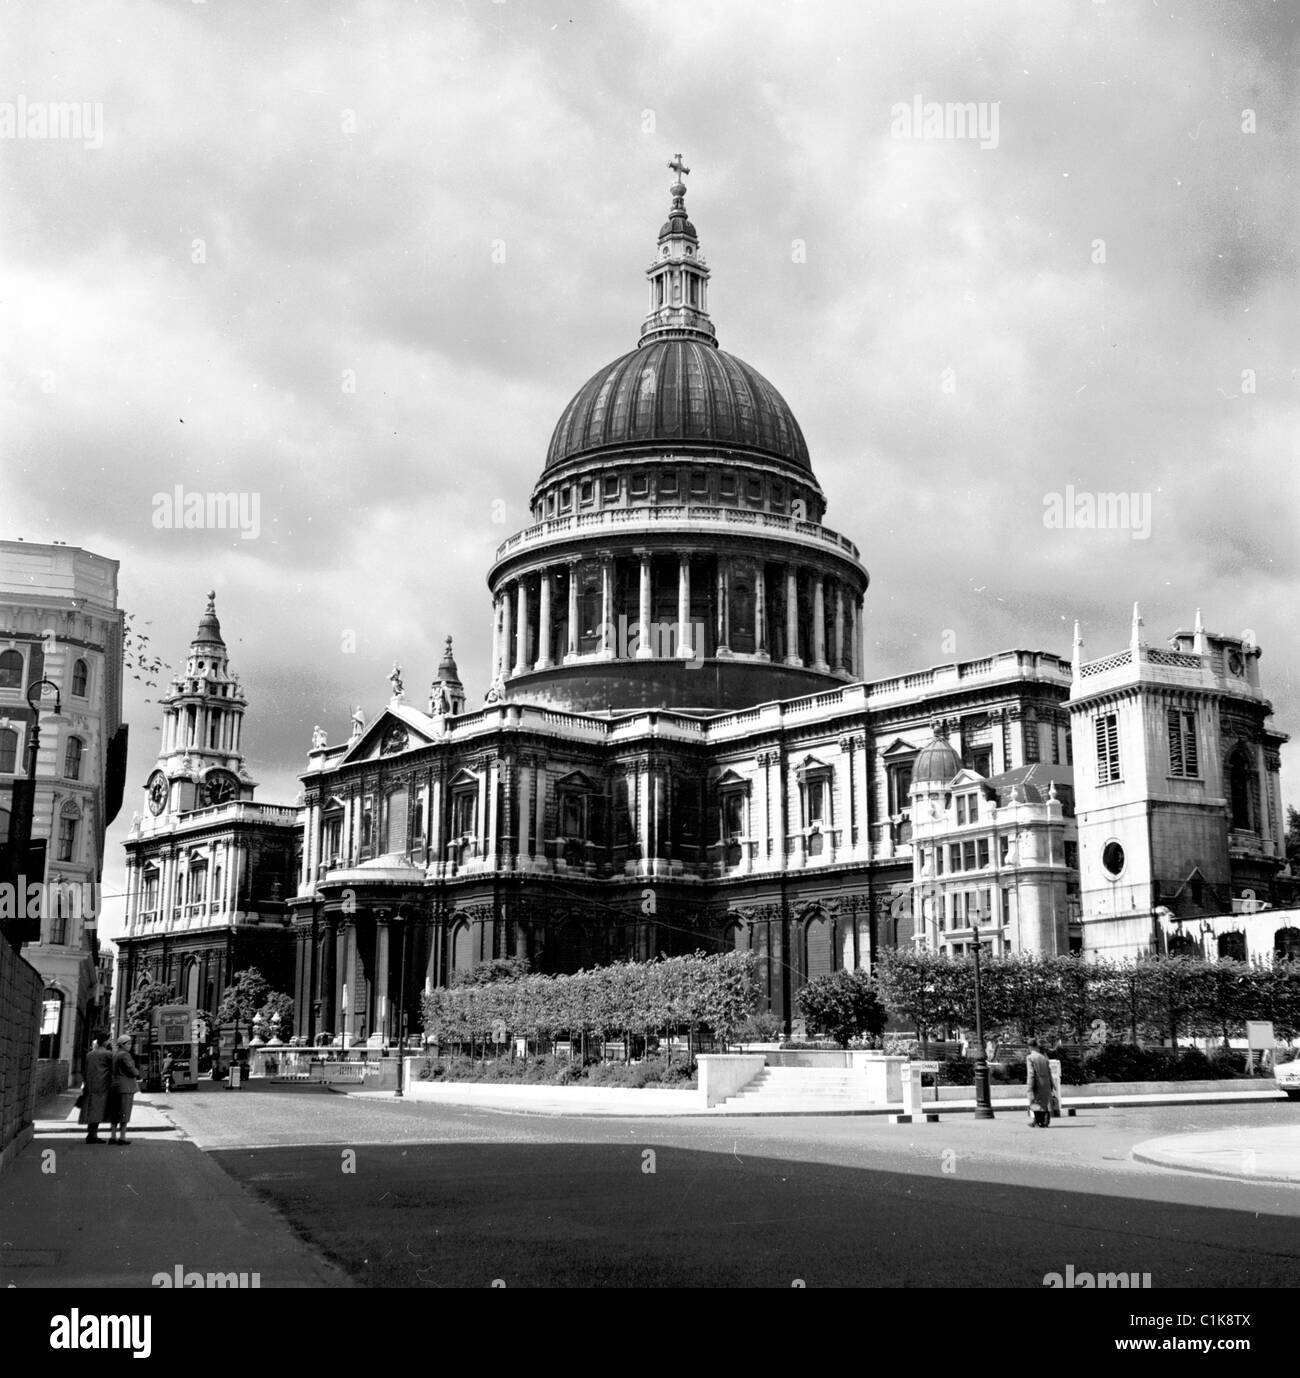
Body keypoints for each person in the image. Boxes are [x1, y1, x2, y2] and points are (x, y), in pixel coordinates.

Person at [80, 1031, 114, 1144]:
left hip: (90, 1085)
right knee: (98, 1110)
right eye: (108, 1040)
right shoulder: (108, 1054)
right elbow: (113, 1069)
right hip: (102, 1085)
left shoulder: (90, 1054)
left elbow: (85, 1071)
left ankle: (91, 1134)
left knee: (92, 1110)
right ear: (105, 1042)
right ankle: (92, 1135)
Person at [107, 1036, 141, 1145]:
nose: (130, 1045)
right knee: (124, 1112)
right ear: (123, 1044)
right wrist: (137, 1072)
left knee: (114, 1112)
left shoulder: (115, 1054)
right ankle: (122, 1136)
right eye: (128, 1043)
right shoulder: (125, 1055)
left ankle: (113, 1136)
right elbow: (131, 1070)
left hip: (115, 1086)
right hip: (125, 1087)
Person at [1027, 1040, 1054, 1128]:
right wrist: (1052, 1083)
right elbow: (1049, 1071)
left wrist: (1030, 1086)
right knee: (1044, 1101)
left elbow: (1031, 1073)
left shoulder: (1030, 1057)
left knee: (1034, 1101)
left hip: (1037, 1081)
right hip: (1046, 1081)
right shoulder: (1043, 1057)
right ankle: (1044, 1120)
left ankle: (1039, 1121)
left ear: (1030, 1047)